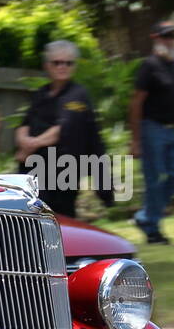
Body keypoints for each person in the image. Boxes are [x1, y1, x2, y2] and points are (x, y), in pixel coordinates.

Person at [14, 40, 112, 217]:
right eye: (57, 62)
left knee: (60, 219)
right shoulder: (41, 94)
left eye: (68, 63)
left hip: (63, 170)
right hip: (35, 170)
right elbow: (24, 124)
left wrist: (30, 145)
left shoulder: (78, 95)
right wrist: (23, 141)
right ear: (47, 65)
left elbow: (62, 129)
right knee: (32, 217)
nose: (62, 67)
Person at [129, 20, 174, 244]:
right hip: (152, 129)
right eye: (165, 35)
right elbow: (136, 103)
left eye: (173, 35)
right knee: (153, 180)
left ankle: (145, 216)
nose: (170, 40)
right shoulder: (149, 65)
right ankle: (153, 230)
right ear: (155, 38)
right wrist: (135, 139)